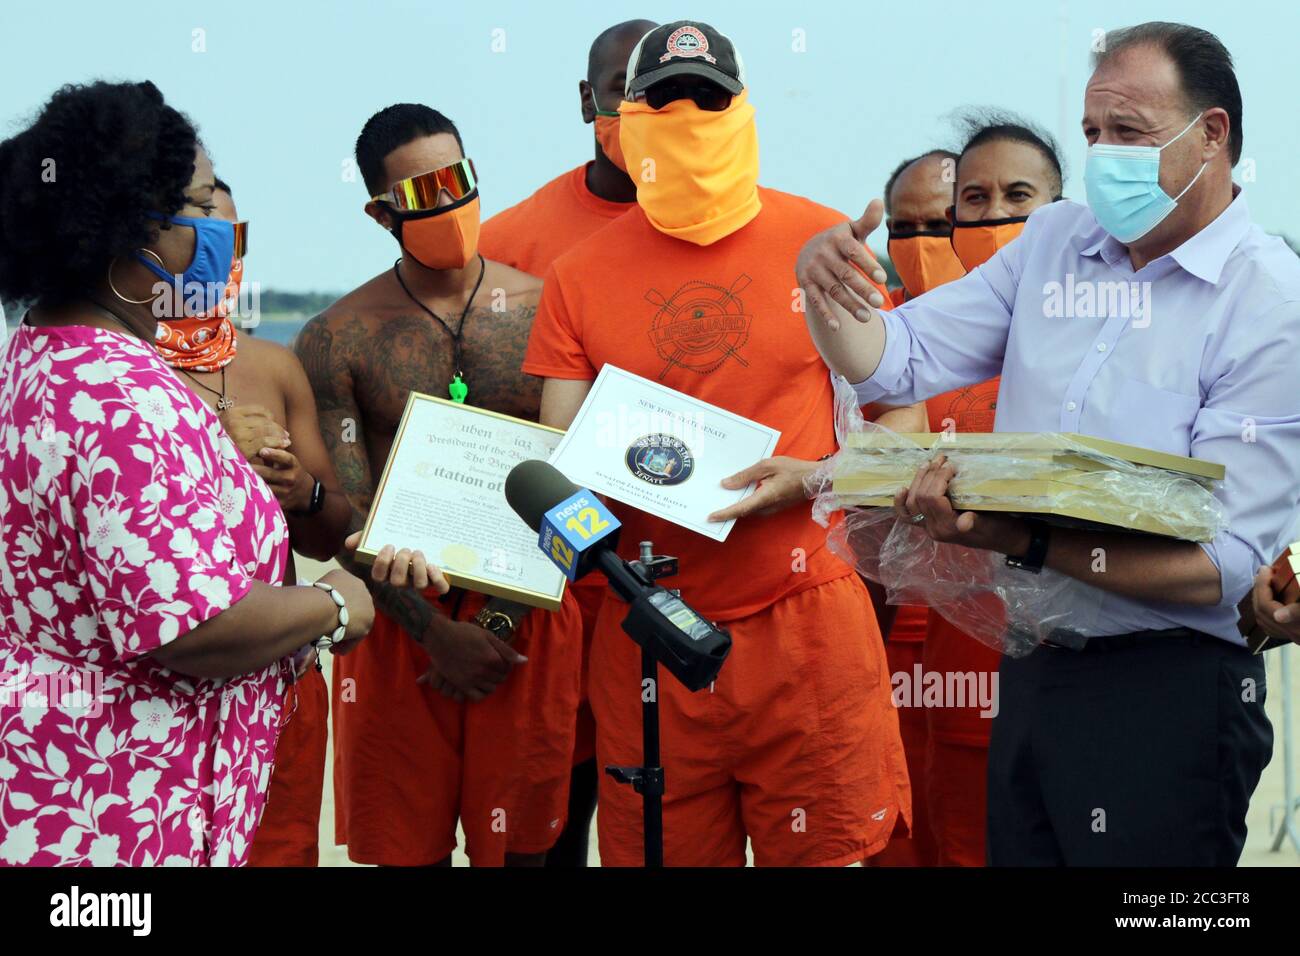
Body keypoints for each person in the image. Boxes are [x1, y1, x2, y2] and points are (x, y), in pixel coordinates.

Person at [797, 22, 1299, 865]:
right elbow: (897, 359)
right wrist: (830, 292)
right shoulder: (1057, 243)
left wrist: (1019, 536)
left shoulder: (1271, 305)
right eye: (1094, 132)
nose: (1105, 156)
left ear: (1212, 136)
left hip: (1169, 693)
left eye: (1130, 134)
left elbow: (1225, 564)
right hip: (1035, 668)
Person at [524, 20, 909, 867]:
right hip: (650, 626)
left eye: (709, 97)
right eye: (665, 100)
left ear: (744, 110)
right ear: (623, 121)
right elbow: (555, 455)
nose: (690, 115)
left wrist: (813, 478)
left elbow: (903, 426)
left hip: (805, 617)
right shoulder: (578, 275)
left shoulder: (824, 244)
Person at [0, 80, 401, 866]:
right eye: (199, 200)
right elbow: (192, 627)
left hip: (66, 779)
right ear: (137, 230)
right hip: (121, 815)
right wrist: (332, 601)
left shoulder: (46, 354)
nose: (217, 224)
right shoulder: (122, 399)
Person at [297, 104, 584, 867]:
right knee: (403, 852)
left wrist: (492, 628)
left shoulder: (549, 309)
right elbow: (350, 515)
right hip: (398, 623)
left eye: (459, 181)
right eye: (423, 194)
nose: (450, 206)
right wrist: (435, 634)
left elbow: (577, 474)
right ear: (380, 211)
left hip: (530, 611)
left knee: (526, 849)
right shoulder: (338, 335)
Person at [478, 16, 656, 868]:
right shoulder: (509, 242)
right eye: (626, 90)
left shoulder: (745, 233)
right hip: (547, 576)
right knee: (543, 812)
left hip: (678, 572)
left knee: (658, 809)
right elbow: (474, 416)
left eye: (667, 92)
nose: (646, 108)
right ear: (589, 100)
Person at [153, 176, 345, 867]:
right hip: (165, 683)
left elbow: (331, 534)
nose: (217, 258)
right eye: (199, 233)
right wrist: (211, 444)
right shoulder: (116, 376)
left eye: (232, 240)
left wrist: (303, 493)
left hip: (280, 680)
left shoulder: (271, 366)